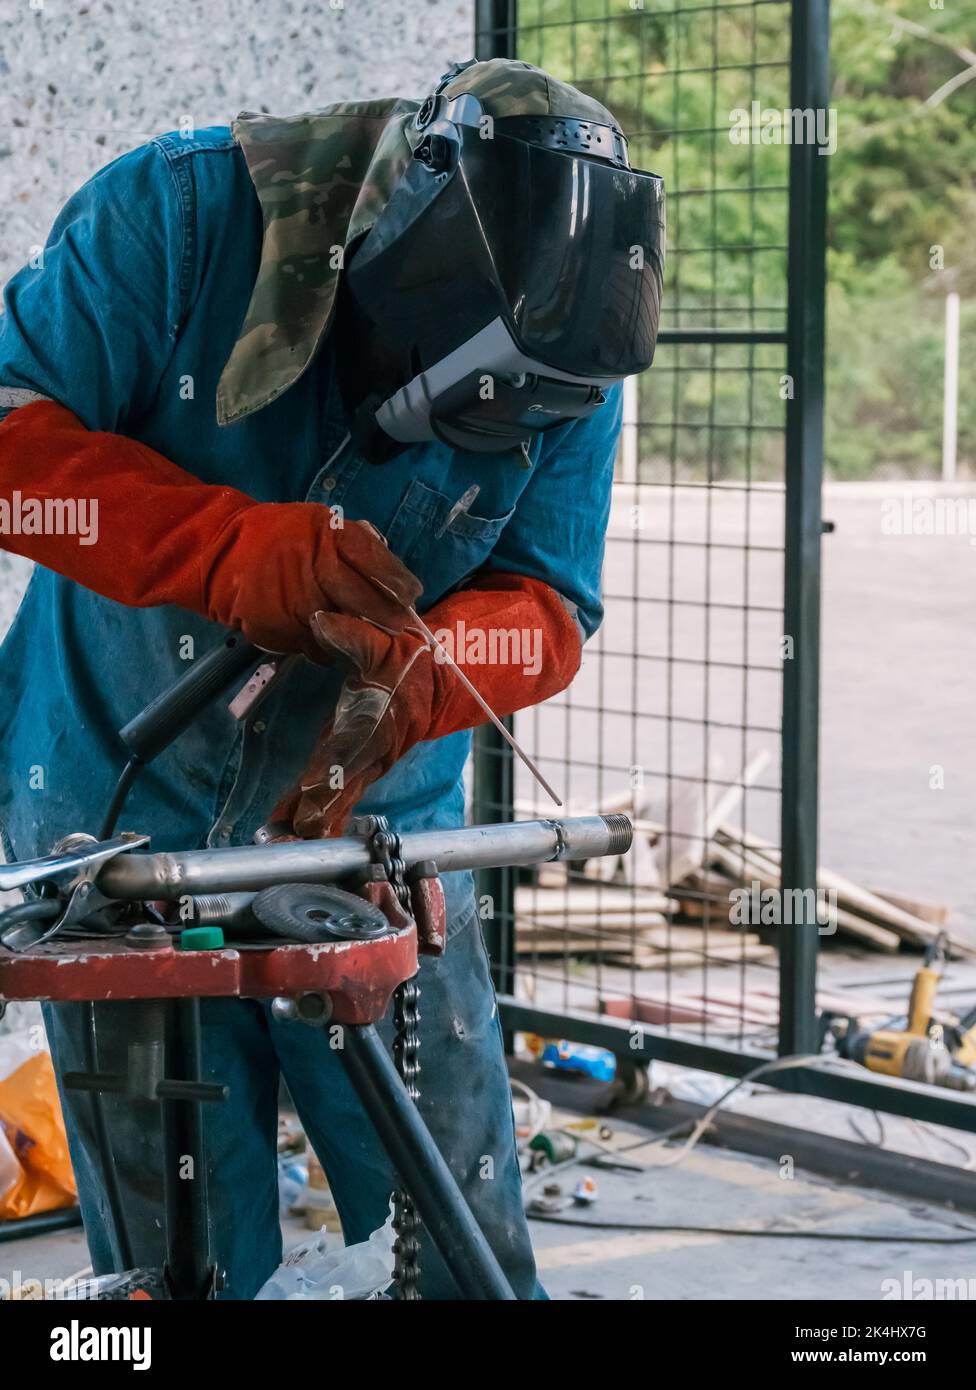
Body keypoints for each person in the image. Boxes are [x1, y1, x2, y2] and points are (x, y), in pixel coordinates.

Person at [0, 57, 664, 1298]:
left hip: (374, 840)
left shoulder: (572, 345)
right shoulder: (181, 222)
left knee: (458, 1240)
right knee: (169, 1266)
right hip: (114, 814)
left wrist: (433, 671)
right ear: (395, 265)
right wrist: (218, 546)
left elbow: (551, 608)